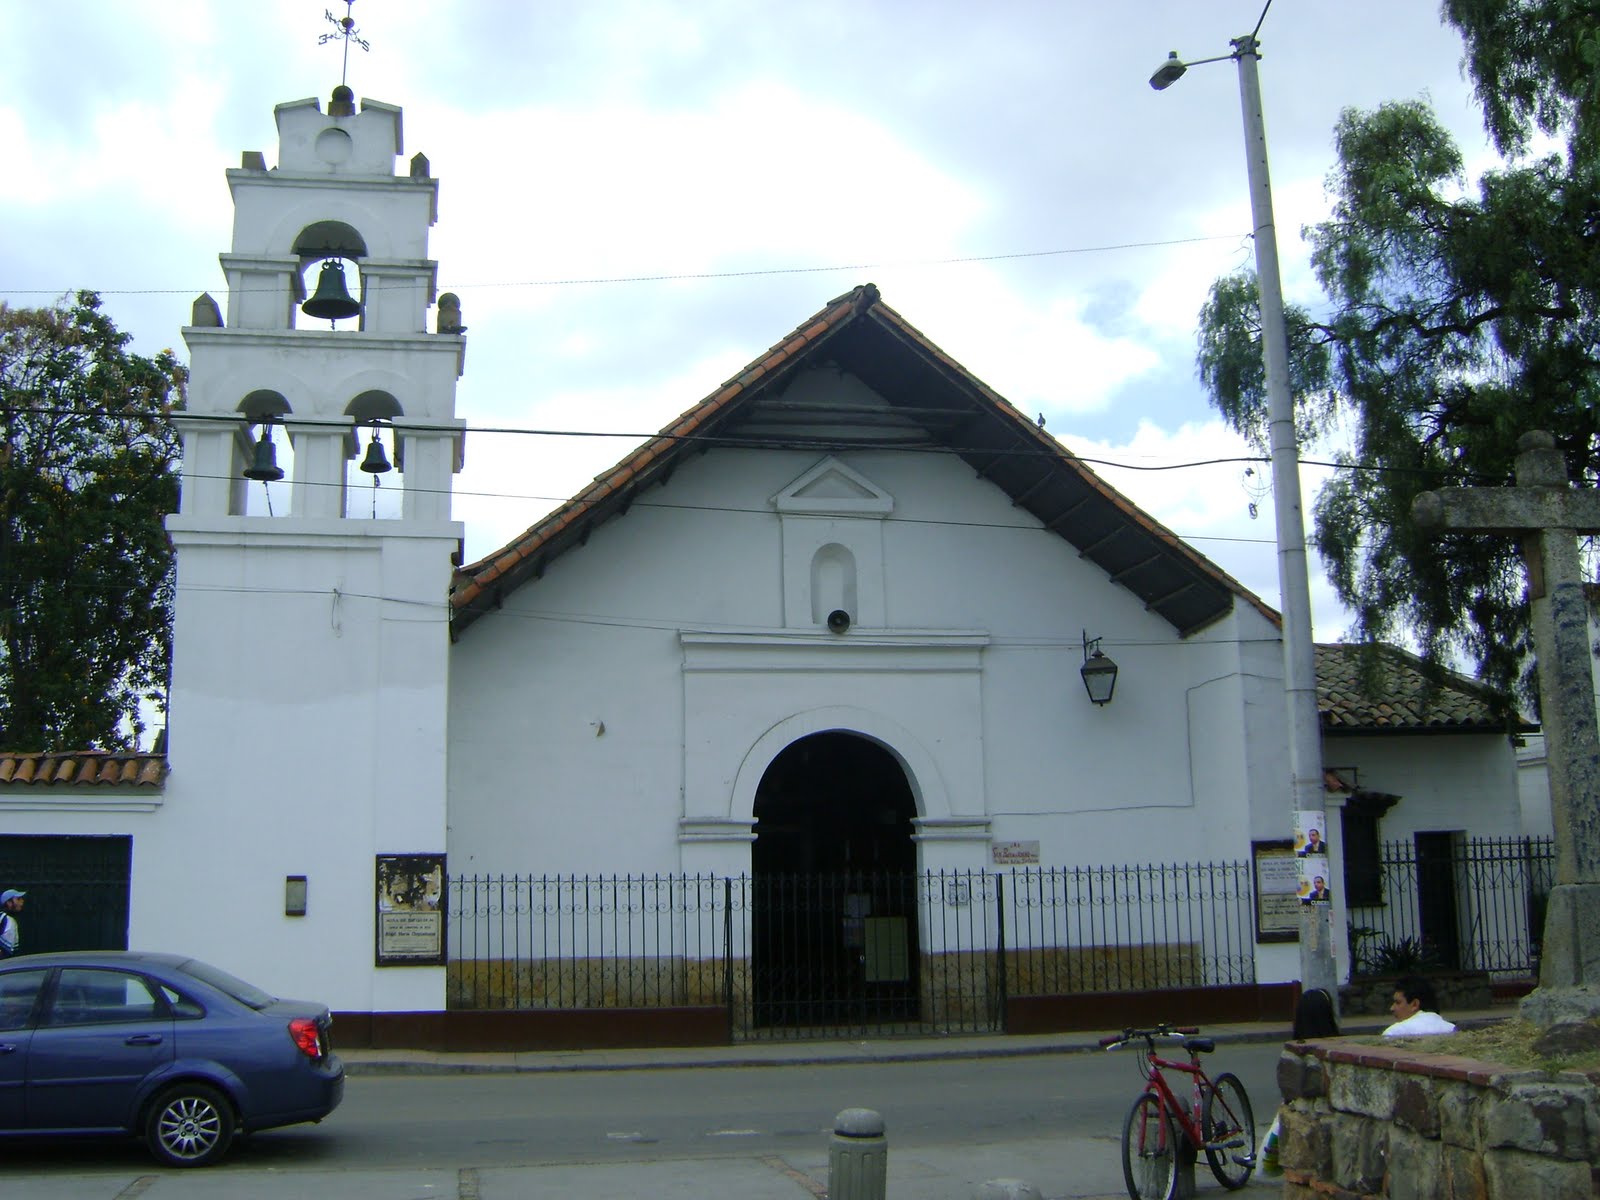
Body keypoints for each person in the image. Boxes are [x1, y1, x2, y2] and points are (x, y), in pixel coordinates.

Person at [1383, 975, 1456, 1037]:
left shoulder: (1394, 1033)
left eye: (1398, 1002)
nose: (1392, 1008)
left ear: (1414, 1004)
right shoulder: (1452, 1029)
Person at [0, 889, 25, 957]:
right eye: (18, 899)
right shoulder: (9, 921)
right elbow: (5, 952)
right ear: (9, 902)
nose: (22, 901)